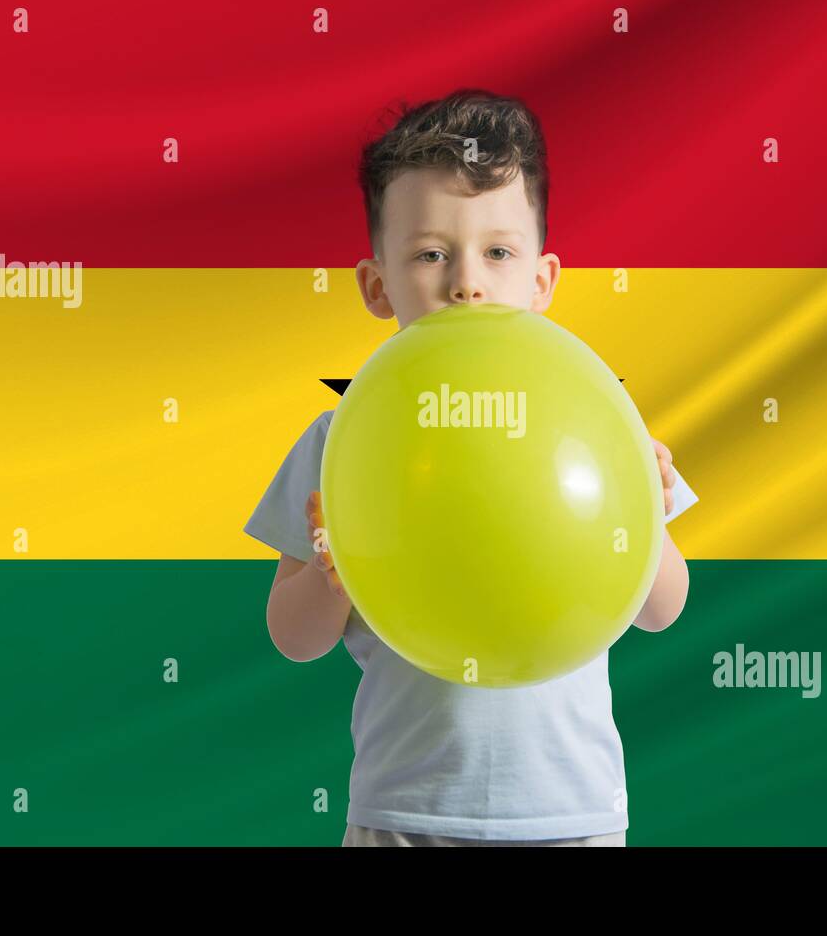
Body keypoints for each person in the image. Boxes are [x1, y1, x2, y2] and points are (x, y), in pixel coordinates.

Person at [244, 89, 697, 846]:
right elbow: (293, 638)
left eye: (498, 252)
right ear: (377, 285)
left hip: (571, 815)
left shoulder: (596, 425)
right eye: (430, 254)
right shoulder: (343, 438)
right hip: (404, 814)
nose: (466, 283)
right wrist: (332, 571)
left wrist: (642, 516)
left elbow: (661, 609)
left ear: (543, 281)